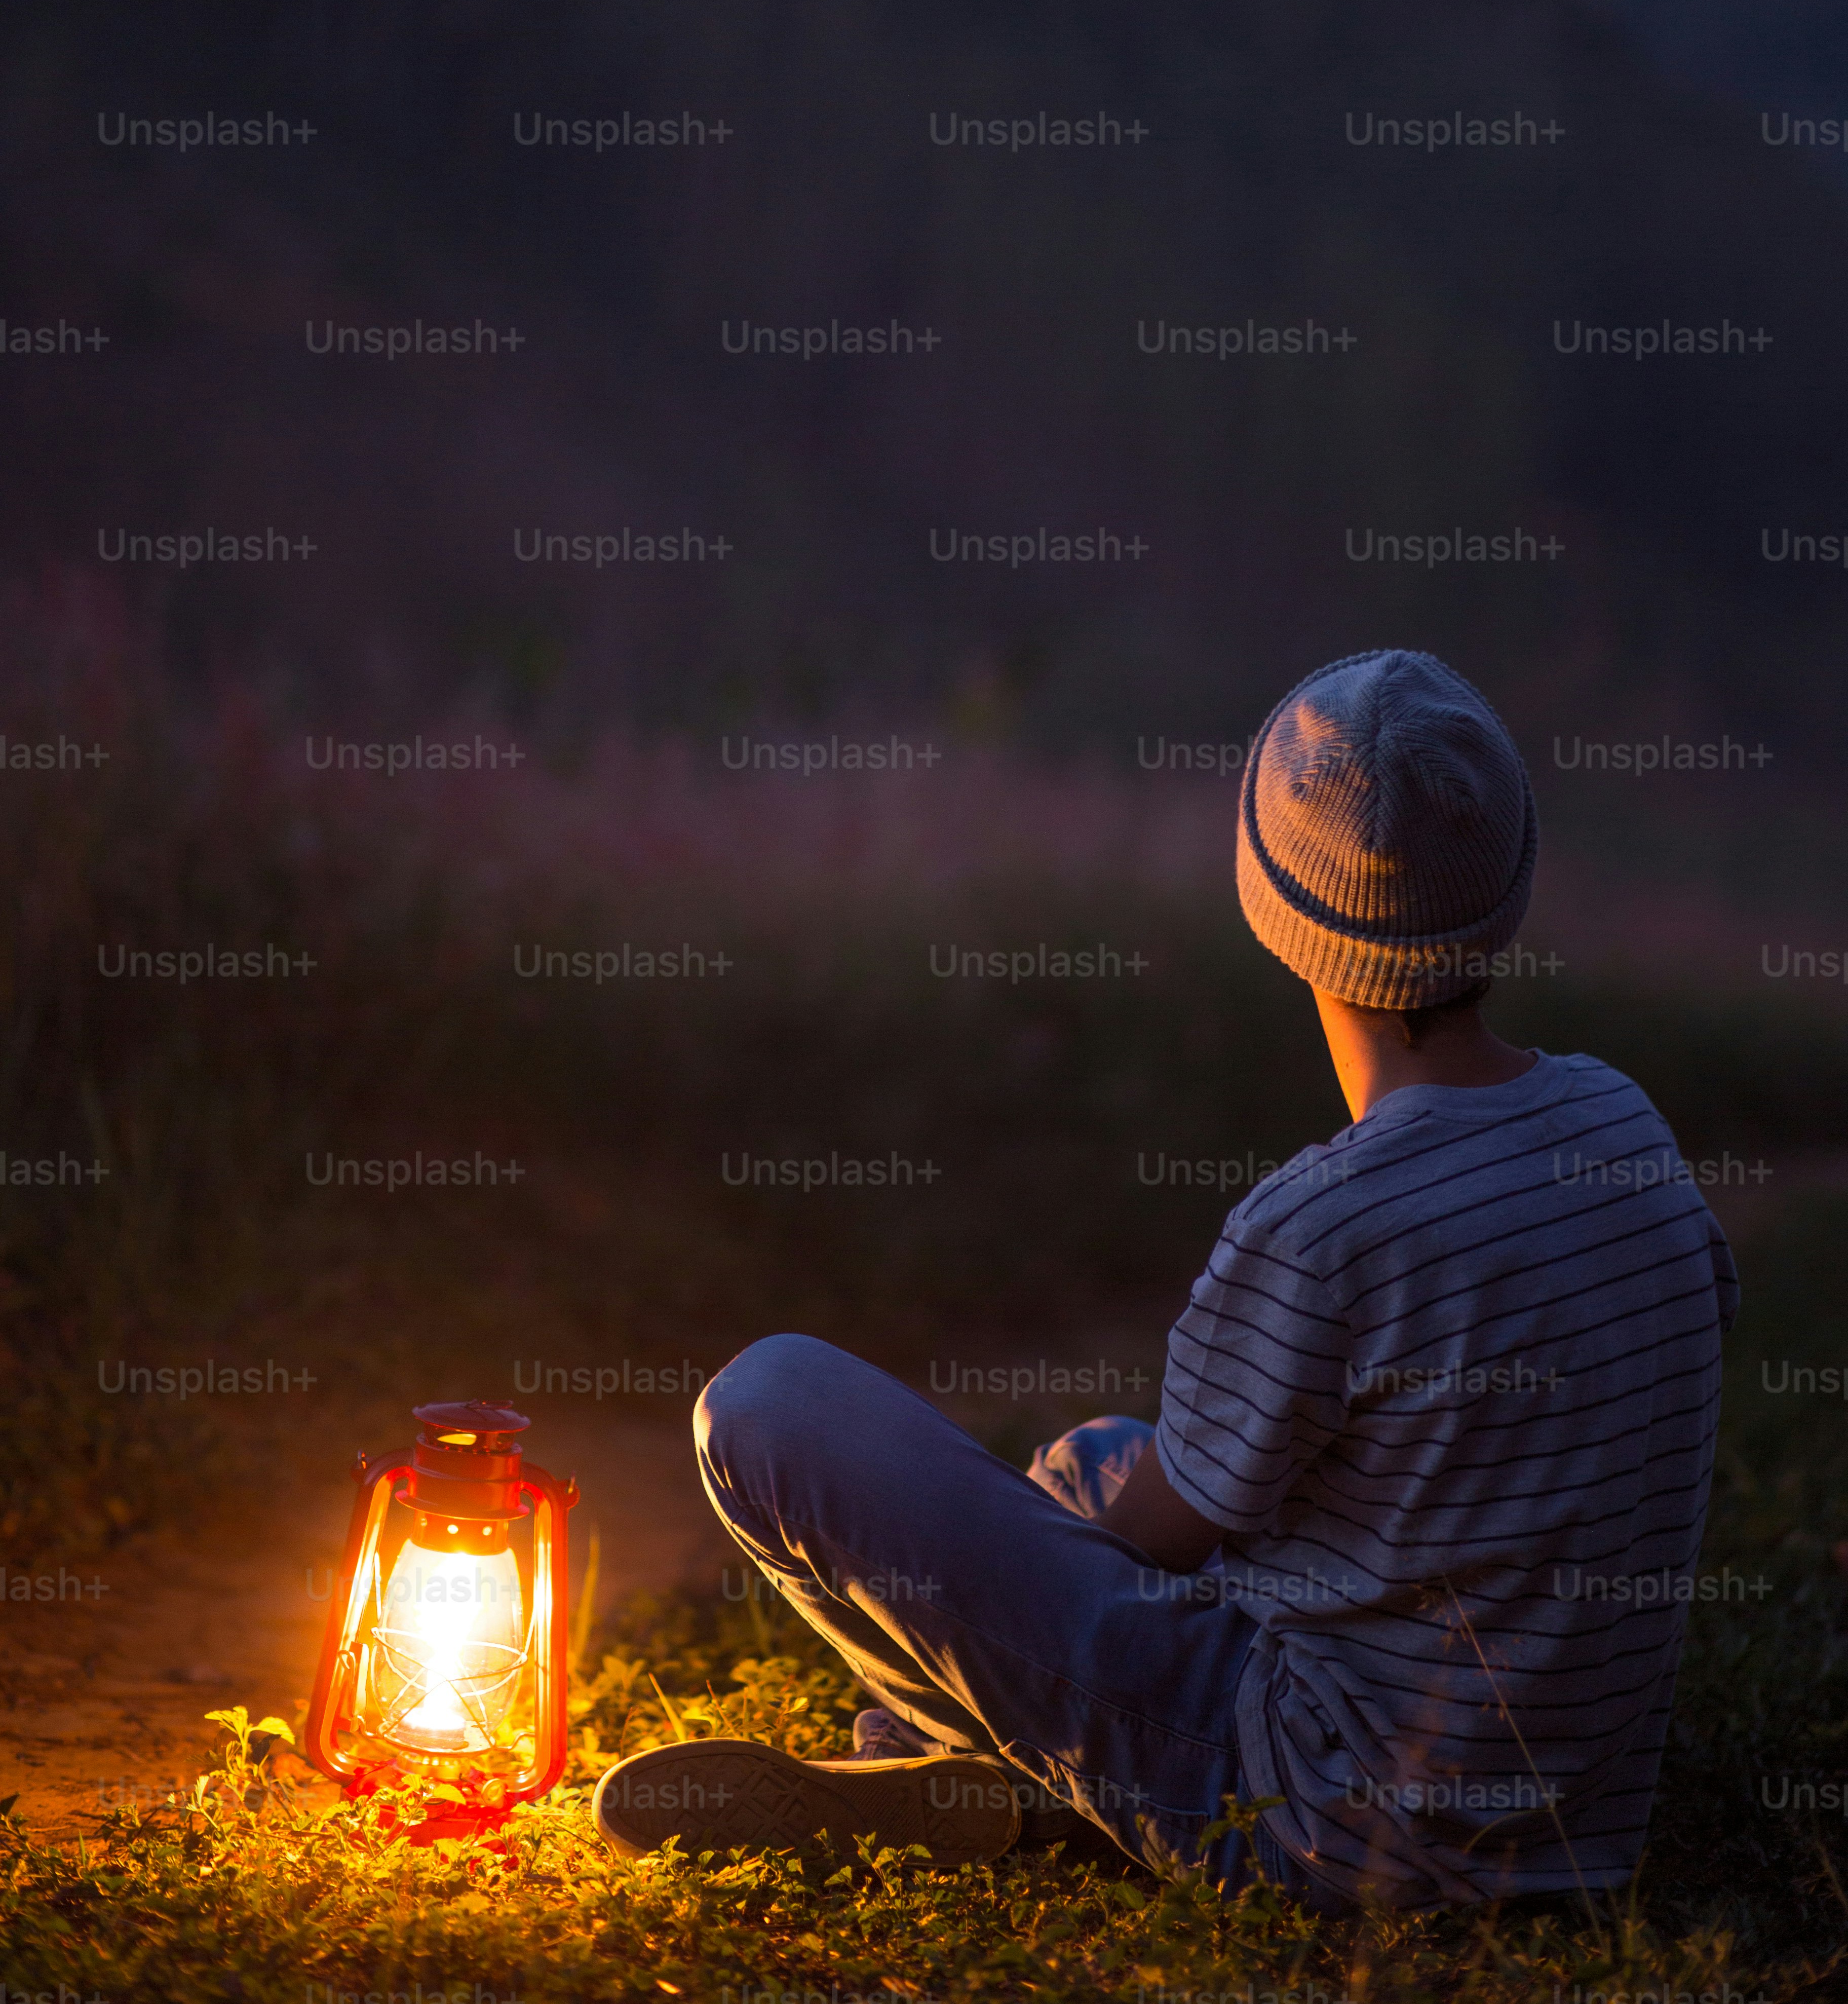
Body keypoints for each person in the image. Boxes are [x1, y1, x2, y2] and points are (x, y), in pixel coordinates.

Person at [594, 648, 1739, 1906]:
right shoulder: (1626, 1131)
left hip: (1321, 1824)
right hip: (1574, 1827)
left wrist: (1018, 1580)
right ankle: (994, 1771)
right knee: (1092, 1453)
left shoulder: (1322, 1224)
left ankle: (995, 1764)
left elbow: (1153, 1552)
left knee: (773, 1404)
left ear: (1277, 909)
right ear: (1510, 881)